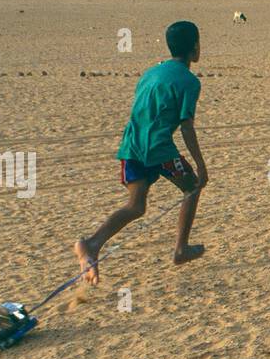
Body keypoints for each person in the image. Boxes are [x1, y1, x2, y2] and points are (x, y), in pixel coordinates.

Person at [74, 20, 208, 283]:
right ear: (195, 47)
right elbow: (186, 127)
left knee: (136, 206)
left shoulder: (150, 73)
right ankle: (181, 249)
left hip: (131, 145)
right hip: (157, 147)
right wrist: (201, 165)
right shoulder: (189, 82)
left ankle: (92, 243)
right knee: (192, 185)